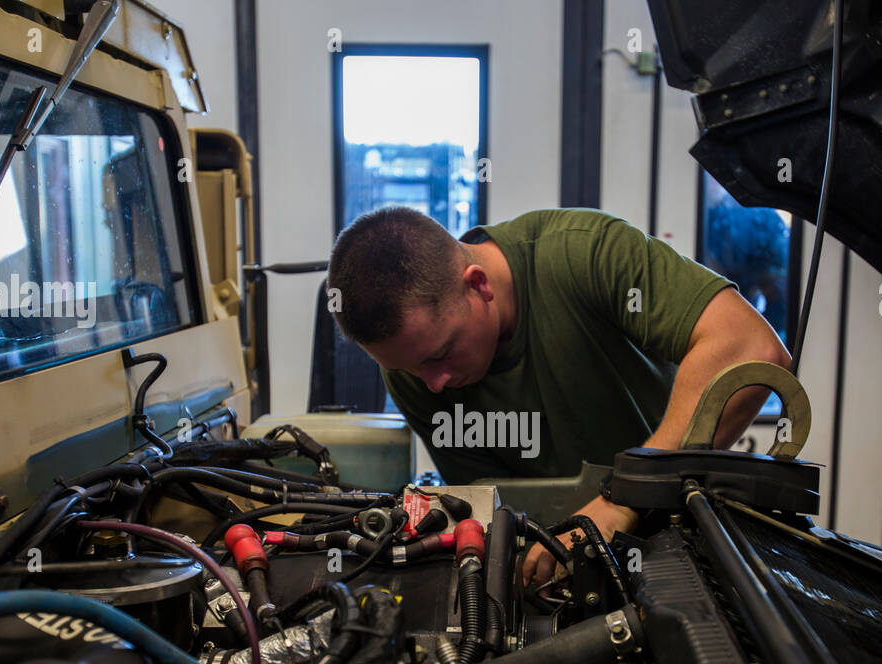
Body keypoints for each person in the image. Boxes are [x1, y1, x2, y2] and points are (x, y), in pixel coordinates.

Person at [326, 206, 791, 585]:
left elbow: (752, 348)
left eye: (441, 354)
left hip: (681, 538)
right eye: (406, 369)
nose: (433, 383)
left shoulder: (584, 254)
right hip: (564, 568)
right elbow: (494, 509)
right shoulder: (414, 373)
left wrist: (626, 496)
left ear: (478, 285)